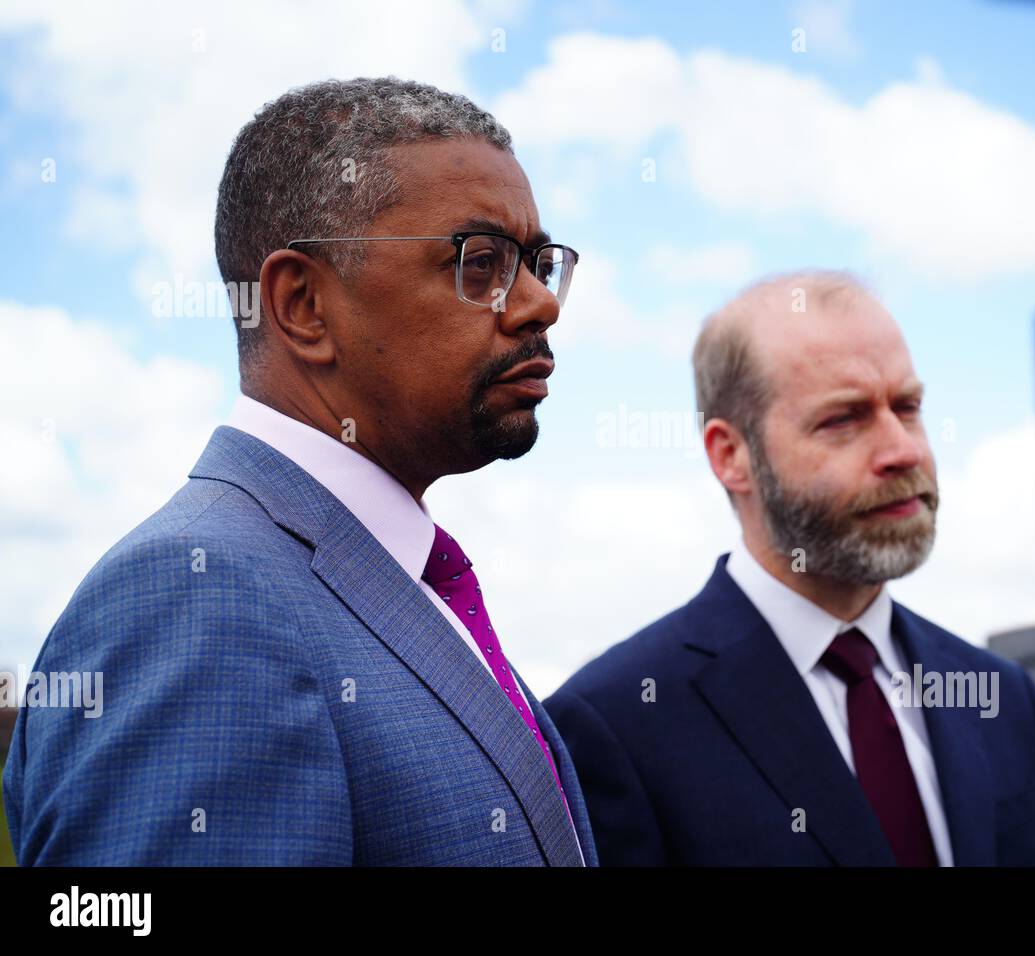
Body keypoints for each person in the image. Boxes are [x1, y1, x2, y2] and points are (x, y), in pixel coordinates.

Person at [2, 77, 595, 866]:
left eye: (537, 262)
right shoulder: (198, 592)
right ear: (303, 305)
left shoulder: (398, 581)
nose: (538, 304)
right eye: (481, 261)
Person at [545, 271, 1035, 866]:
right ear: (732, 456)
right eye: (843, 420)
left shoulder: (1001, 695)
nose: (903, 451)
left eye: (907, 408)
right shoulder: (615, 724)